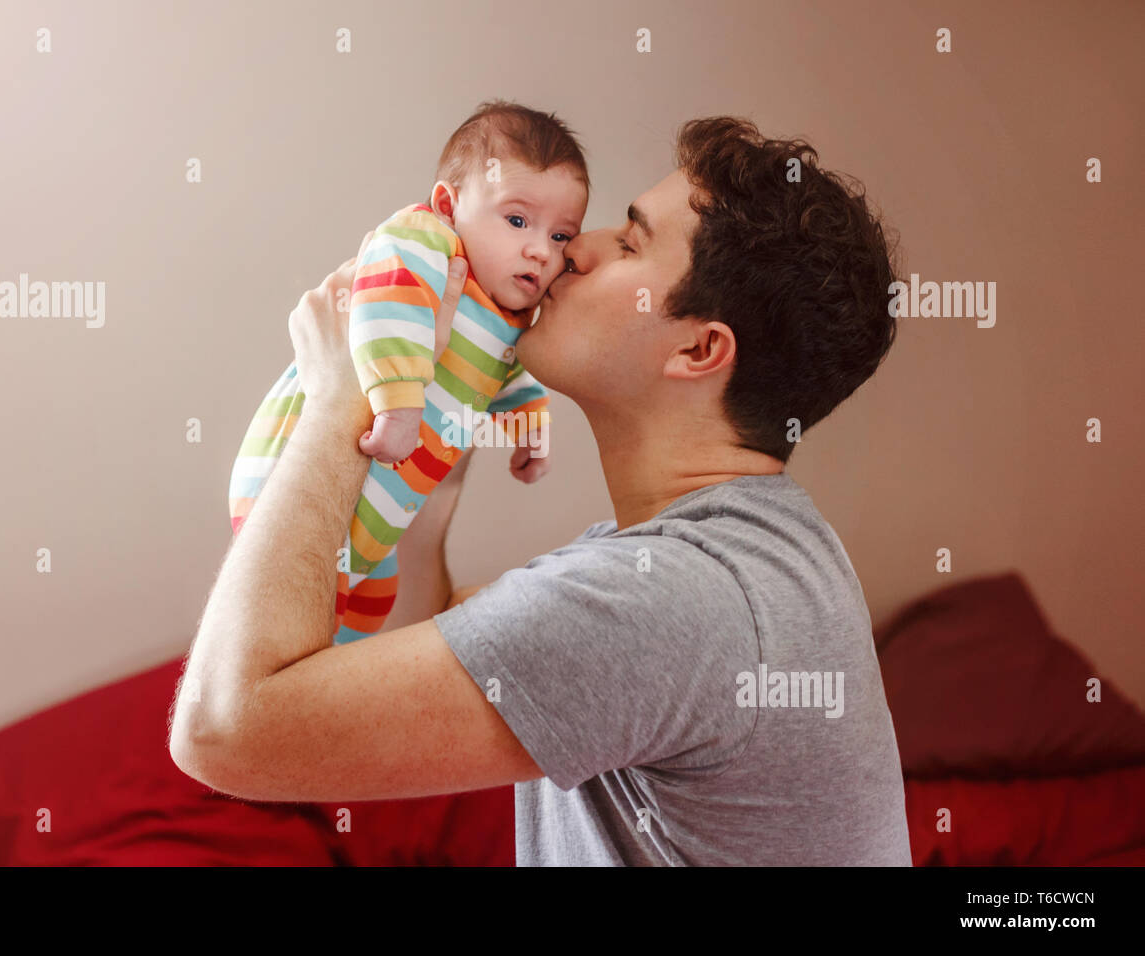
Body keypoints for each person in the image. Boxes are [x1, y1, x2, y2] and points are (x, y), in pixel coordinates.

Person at [170, 116, 913, 866]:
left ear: (697, 348)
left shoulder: (663, 604)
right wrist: (430, 459)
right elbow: (406, 643)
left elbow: (223, 731)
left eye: (627, 243)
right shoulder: (740, 555)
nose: (573, 249)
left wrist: (337, 403)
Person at [226, 100, 588, 644]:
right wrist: (398, 405)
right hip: (295, 481)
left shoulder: (508, 317)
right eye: (517, 220)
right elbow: (385, 307)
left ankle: (325, 694)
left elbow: (508, 373)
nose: (539, 250)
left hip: (372, 530)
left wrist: (528, 425)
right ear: (449, 204)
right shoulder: (427, 243)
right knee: (292, 621)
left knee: (354, 627)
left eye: (561, 236)